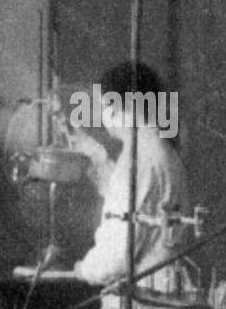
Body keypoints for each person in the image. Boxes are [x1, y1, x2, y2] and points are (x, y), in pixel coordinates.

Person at [63, 61, 189, 286]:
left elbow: (118, 255)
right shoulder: (154, 148)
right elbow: (126, 199)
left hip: (142, 297)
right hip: (158, 288)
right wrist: (93, 153)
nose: (103, 115)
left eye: (104, 106)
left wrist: (85, 269)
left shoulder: (141, 159)